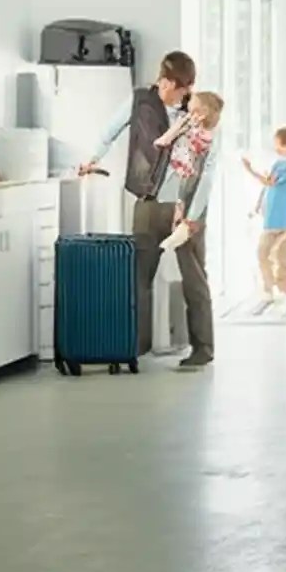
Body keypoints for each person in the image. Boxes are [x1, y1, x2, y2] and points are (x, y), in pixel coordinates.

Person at [82, 51, 220, 368]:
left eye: (190, 91)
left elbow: (209, 169)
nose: (186, 97)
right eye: (182, 90)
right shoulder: (139, 102)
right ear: (167, 82)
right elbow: (109, 132)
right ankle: (133, 346)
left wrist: (195, 215)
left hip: (186, 208)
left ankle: (203, 348)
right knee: (138, 278)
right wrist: (92, 159)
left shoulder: (199, 112)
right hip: (149, 202)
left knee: (194, 279)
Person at [155, 91, 224, 251]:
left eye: (193, 102)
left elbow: (163, 142)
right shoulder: (191, 128)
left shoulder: (204, 139)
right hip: (178, 184)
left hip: (182, 184)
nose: (188, 104)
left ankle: (182, 228)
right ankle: (180, 228)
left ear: (201, 112)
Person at [242, 126, 286, 309]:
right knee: (279, 258)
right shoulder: (283, 165)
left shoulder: (284, 166)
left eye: (278, 143)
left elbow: (269, 183)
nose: (275, 147)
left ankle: (274, 290)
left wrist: (249, 169)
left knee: (266, 254)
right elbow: (269, 189)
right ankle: (279, 291)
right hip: (279, 220)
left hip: (278, 222)